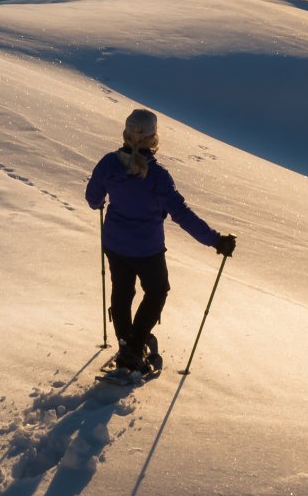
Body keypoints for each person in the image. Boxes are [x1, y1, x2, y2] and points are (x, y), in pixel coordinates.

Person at [84, 108, 236, 379]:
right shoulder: (158, 177)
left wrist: (102, 202)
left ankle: (125, 344)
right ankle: (134, 345)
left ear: (126, 133)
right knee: (156, 292)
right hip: (147, 249)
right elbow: (183, 215)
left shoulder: (108, 164)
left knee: (122, 290)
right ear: (154, 139)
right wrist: (215, 240)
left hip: (115, 243)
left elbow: (93, 199)